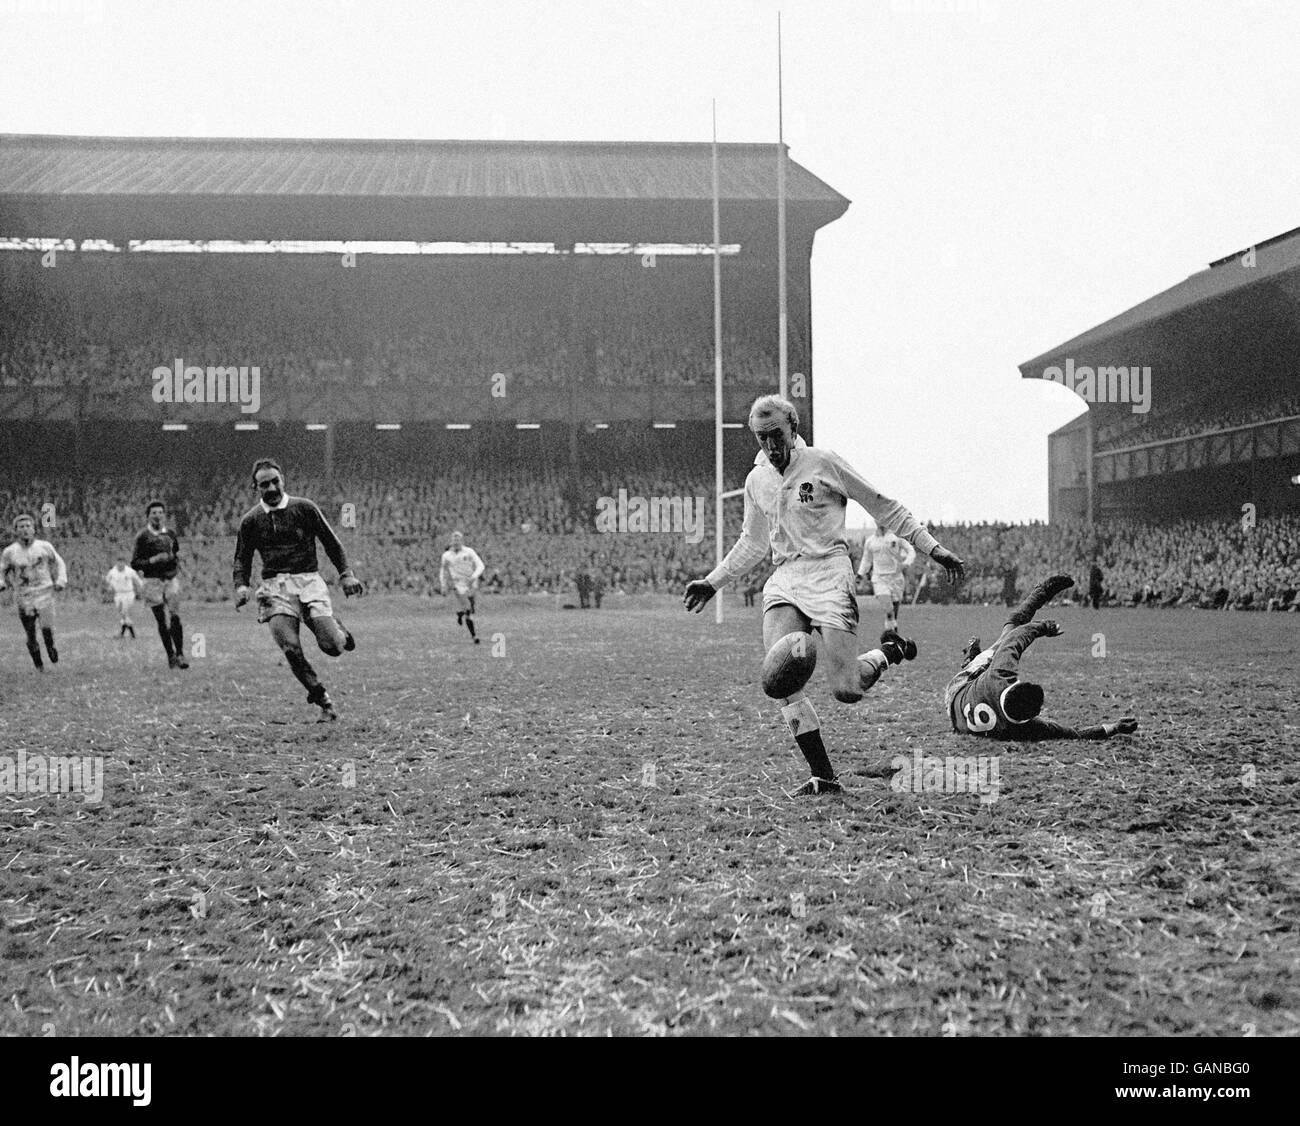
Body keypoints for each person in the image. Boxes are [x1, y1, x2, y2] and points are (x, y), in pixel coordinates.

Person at [683, 394, 966, 796]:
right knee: (780, 682)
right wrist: (712, 582)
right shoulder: (757, 480)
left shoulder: (824, 463)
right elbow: (752, 542)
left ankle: (887, 653)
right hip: (786, 578)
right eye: (761, 437)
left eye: (776, 434)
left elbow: (883, 507)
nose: (770, 445)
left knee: (846, 690)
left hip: (831, 574)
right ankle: (824, 776)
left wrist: (933, 548)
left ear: (794, 429)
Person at [233, 458, 364, 721]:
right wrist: (241, 586)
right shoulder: (251, 520)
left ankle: (337, 630)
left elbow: (331, 542)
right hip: (275, 588)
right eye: (263, 484)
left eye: (274, 482)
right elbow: (242, 557)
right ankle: (322, 699)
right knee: (291, 649)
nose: (270, 488)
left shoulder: (304, 508)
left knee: (333, 647)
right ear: (255, 487)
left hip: (308, 581)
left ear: (283, 481)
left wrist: (346, 574)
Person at [945, 574, 1137, 741]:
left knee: (1011, 628)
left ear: (1013, 684)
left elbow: (1018, 636)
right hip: (956, 714)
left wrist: (1043, 627)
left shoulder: (1000, 674)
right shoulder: (1027, 729)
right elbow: (1072, 734)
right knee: (1008, 633)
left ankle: (1040, 592)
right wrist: (1114, 728)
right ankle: (974, 659)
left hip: (958, 691)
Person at [1, 513, 67, 671]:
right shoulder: (10, 552)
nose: (25, 530)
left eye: (28, 526)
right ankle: (39, 665)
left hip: (44, 592)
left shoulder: (44, 546)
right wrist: (1, 582)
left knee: (46, 628)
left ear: (34, 529)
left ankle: (50, 647)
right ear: (16, 531)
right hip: (24, 596)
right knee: (30, 634)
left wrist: (61, 580)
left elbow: (59, 562)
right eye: (21, 527)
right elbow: (2, 569)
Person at [132, 501, 189, 668]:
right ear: (148, 516)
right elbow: (135, 563)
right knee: (161, 621)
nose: (157, 515)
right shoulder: (142, 537)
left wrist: (177, 563)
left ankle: (180, 654)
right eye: (154, 513)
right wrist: (152, 560)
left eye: (160, 512)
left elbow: (175, 553)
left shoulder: (170, 534)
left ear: (164, 515)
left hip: (170, 579)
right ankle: (170, 655)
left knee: (175, 616)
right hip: (152, 581)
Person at [857, 526, 916, 633]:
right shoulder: (870, 541)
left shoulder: (896, 537)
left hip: (896, 579)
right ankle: (891, 634)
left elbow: (911, 550)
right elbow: (866, 559)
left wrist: (906, 563)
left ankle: (891, 634)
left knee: (893, 613)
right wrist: (860, 574)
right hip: (879, 579)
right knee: (888, 608)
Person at [440, 530, 485, 644]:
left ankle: (460, 613)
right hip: (457, 584)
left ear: (462, 541)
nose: (456, 542)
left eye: (458, 540)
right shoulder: (446, 556)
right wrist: (443, 585)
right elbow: (443, 571)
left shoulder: (469, 552)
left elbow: (481, 565)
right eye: (454, 540)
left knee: (470, 608)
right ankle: (474, 637)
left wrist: (474, 576)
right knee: (468, 609)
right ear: (451, 541)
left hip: (471, 582)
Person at [104, 557, 143, 638]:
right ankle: (124, 633)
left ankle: (131, 634)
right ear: (116, 563)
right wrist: (110, 586)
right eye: (119, 562)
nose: (120, 564)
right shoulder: (113, 571)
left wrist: (142, 588)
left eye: (122, 563)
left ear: (124, 563)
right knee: (122, 614)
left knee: (124, 613)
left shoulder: (130, 571)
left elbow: (138, 580)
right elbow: (108, 580)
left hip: (128, 594)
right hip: (118, 594)